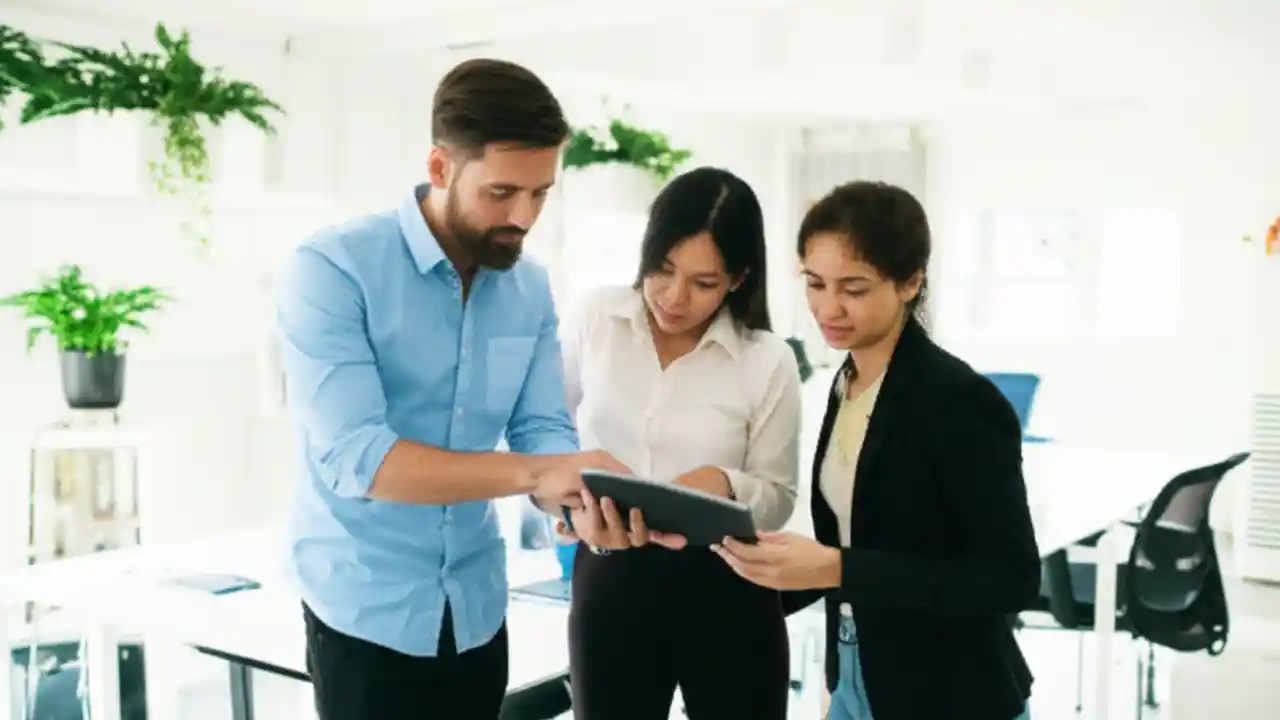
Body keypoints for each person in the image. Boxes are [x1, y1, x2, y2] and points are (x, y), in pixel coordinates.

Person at [275, 58, 628, 720]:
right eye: (501, 193)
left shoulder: (528, 288)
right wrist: (541, 472)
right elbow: (362, 459)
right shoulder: (332, 269)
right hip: (364, 614)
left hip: (475, 609)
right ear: (441, 168)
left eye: (540, 193)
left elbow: (541, 427)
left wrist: (580, 500)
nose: (523, 216)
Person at [712, 181, 1039, 719]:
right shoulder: (847, 383)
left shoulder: (958, 400)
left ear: (911, 282)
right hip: (857, 676)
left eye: (854, 288)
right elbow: (867, 541)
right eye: (815, 283)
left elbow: (1010, 578)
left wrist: (836, 568)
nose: (828, 307)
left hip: (951, 693)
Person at [549, 167, 803, 719]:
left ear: (739, 279)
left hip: (729, 585)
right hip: (609, 574)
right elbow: (549, 441)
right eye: (663, 269)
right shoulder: (595, 318)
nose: (674, 296)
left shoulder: (766, 360)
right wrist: (570, 510)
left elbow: (779, 497)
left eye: (704, 282)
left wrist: (724, 485)